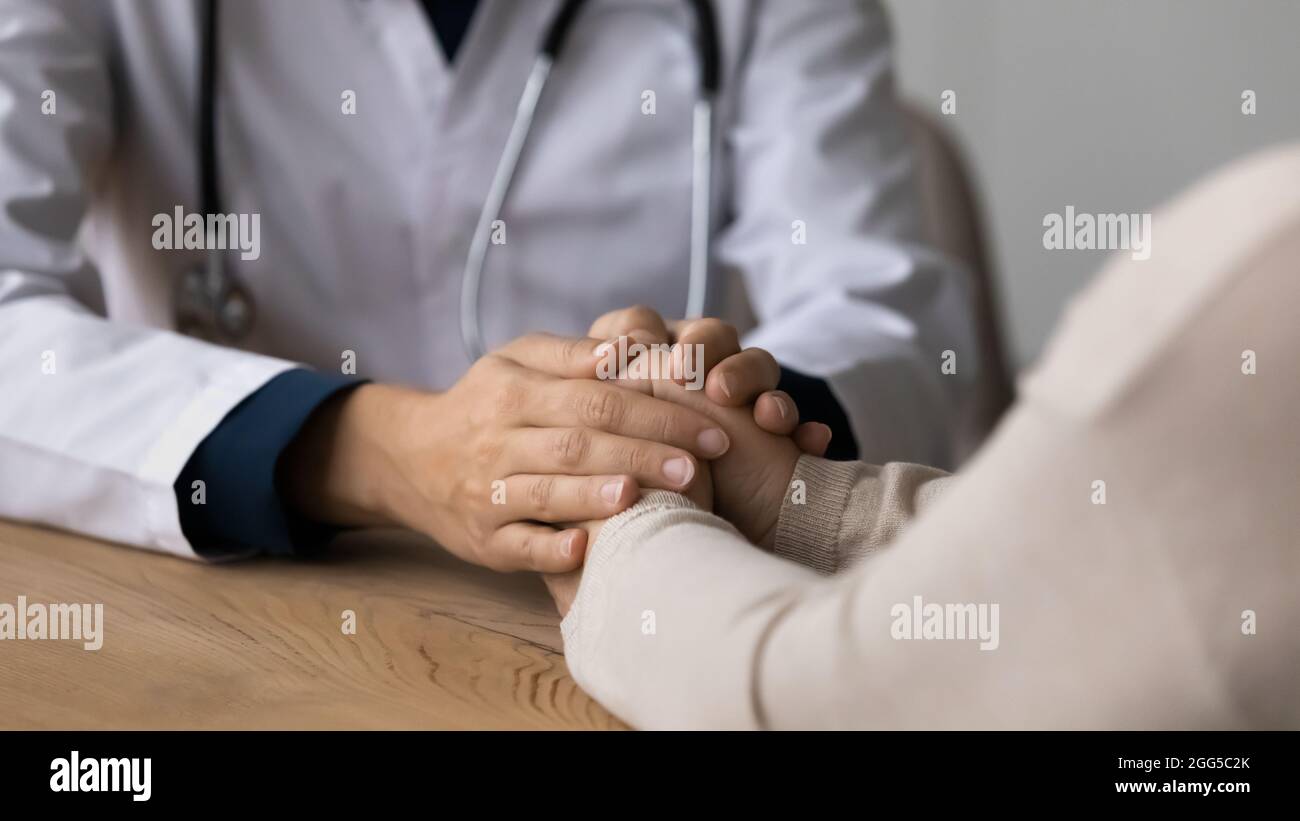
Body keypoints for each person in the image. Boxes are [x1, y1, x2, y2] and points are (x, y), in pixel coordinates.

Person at [0, 0, 976, 567]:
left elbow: (888, 313)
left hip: (641, 596)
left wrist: (727, 417)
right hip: (250, 615)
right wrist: (382, 449)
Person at [545, 145, 1300, 729]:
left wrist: (621, 520)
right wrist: (804, 505)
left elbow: (819, 708)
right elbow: (1096, 582)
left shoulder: (1254, 276)